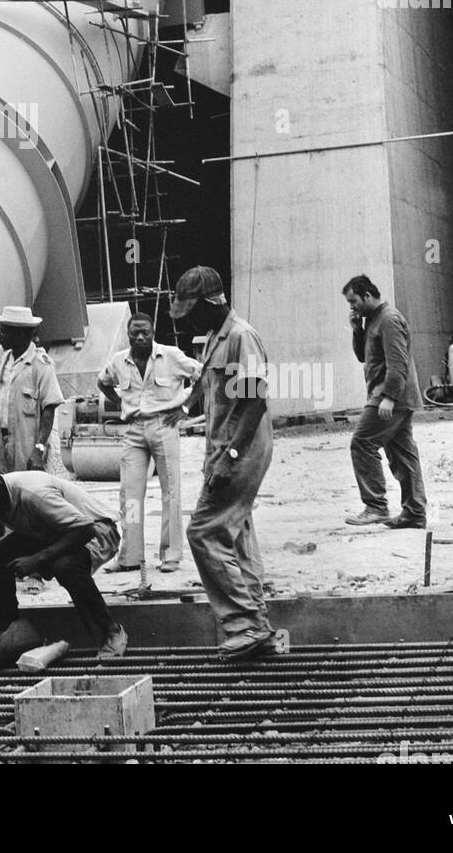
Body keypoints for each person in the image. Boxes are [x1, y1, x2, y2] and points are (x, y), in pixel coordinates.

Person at [171, 265, 275, 664]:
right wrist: (182, 408)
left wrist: (230, 457)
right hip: (224, 448)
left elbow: (254, 401)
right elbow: (208, 388)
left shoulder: (241, 336)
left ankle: (243, 625)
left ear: (213, 302)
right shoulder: (216, 335)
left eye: (193, 310)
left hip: (241, 450)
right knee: (235, 531)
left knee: (204, 531)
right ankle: (258, 626)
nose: (189, 319)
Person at [0, 463, 127, 660]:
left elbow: (84, 529)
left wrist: (37, 559)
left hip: (97, 530)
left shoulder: (33, 493)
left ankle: (112, 631)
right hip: (55, 531)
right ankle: (6, 631)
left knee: (65, 566)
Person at [97, 312, 202, 574]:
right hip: (134, 429)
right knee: (129, 495)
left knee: (172, 492)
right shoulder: (119, 361)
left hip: (164, 425)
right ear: (128, 334)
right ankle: (130, 557)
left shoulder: (171, 356)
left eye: (145, 332)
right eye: (135, 333)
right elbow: (103, 381)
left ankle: (171, 555)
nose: (140, 337)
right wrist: (120, 402)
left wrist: (186, 409)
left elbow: (204, 376)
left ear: (153, 333)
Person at [341, 275, 427, 529]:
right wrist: (357, 329)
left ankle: (375, 506)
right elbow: (362, 357)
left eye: (354, 301)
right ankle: (414, 513)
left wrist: (389, 397)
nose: (352, 307)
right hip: (389, 396)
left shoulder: (389, 319)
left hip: (390, 396)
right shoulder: (373, 321)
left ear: (367, 295)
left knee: (362, 443)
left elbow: (398, 363)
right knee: (402, 455)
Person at [0, 305, 64, 473]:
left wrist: (39, 449)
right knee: (3, 492)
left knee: (29, 493)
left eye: (3, 332)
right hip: (1, 446)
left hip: (27, 447)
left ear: (18, 334)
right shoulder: (4, 361)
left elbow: (49, 409)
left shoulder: (41, 365)